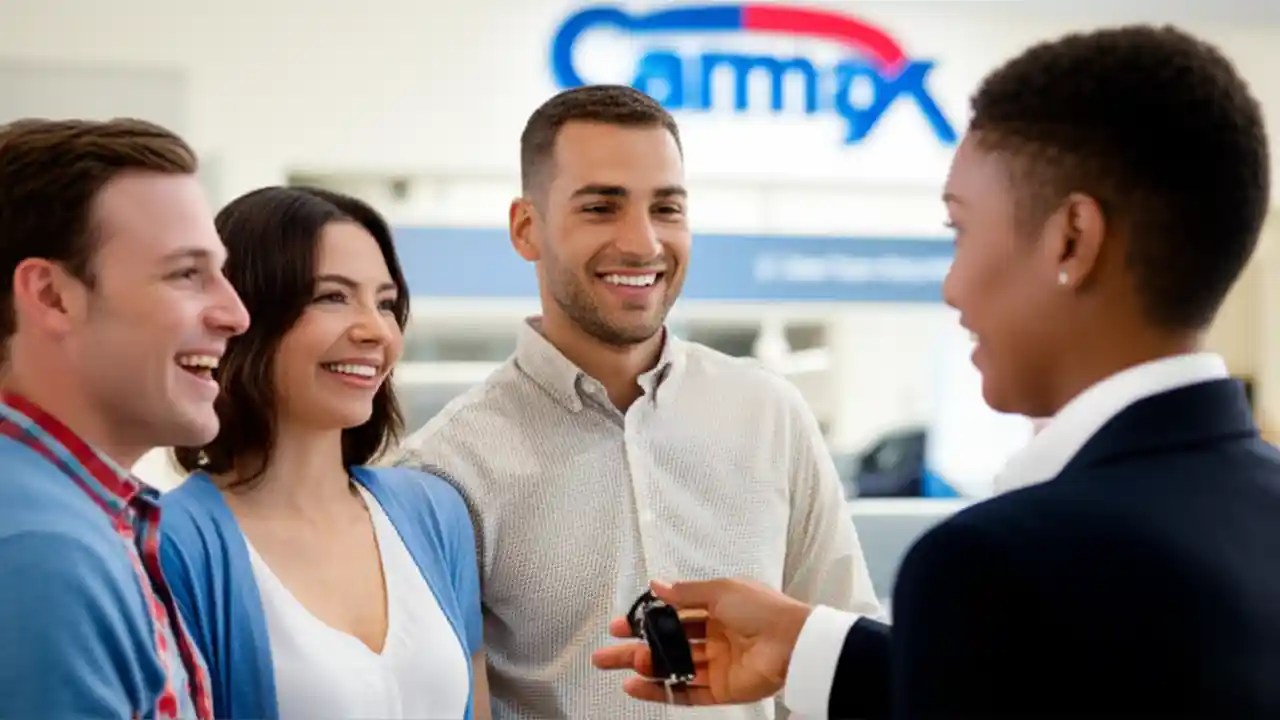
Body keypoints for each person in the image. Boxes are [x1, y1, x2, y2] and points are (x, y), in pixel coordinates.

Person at [592, 24, 1280, 718]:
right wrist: (815, 649)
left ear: (1073, 238)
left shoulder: (992, 566)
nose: (951, 287)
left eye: (961, 229)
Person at [388, 84, 882, 719]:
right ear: (526, 227)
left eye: (667, 209)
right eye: (601, 207)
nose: (644, 242)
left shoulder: (770, 417)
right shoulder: (443, 470)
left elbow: (843, 653)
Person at [157, 186, 491, 720]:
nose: (375, 330)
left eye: (385, 303)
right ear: (243, 317)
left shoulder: (433, 513)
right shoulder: (172, 544)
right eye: (332, 297)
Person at [0, 117, 250, 718]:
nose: (235, 313)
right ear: (52, 295)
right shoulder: (43, 554)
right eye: (186, 273)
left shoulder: (70, 520)